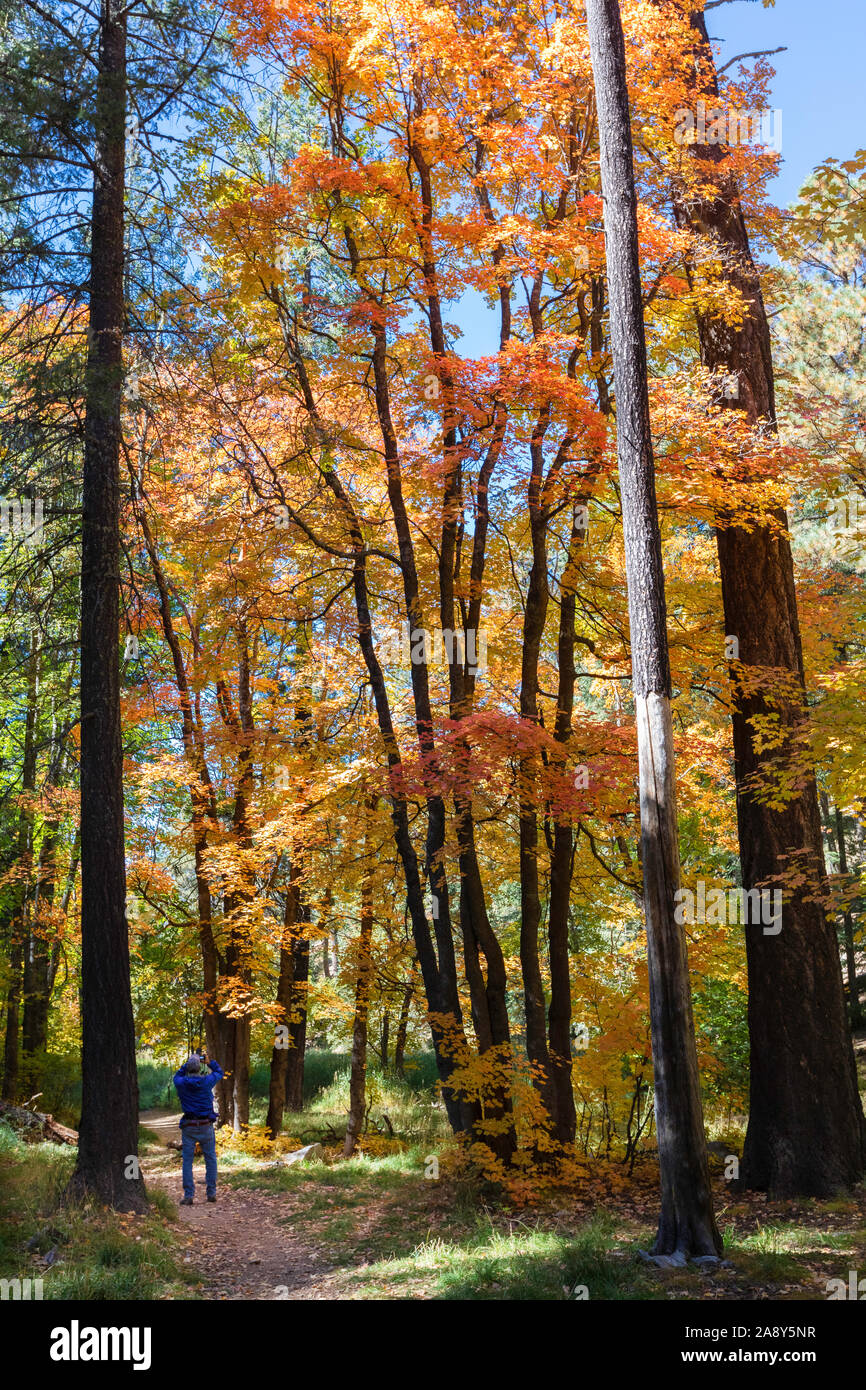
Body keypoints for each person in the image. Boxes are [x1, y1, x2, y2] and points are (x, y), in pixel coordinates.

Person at [172, 1050, 224, 1206]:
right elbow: (219, 1072)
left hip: (189, 1126)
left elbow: (177, 1076)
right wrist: (208, 1062)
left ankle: (189, 1195)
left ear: (188, 1068)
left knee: (187, 1161)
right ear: (199, 1067)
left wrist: (188, 1064)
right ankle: (211, 1193)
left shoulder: (181, 1083)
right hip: (205, 1125)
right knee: (211, 1159)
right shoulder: (207, 1082)